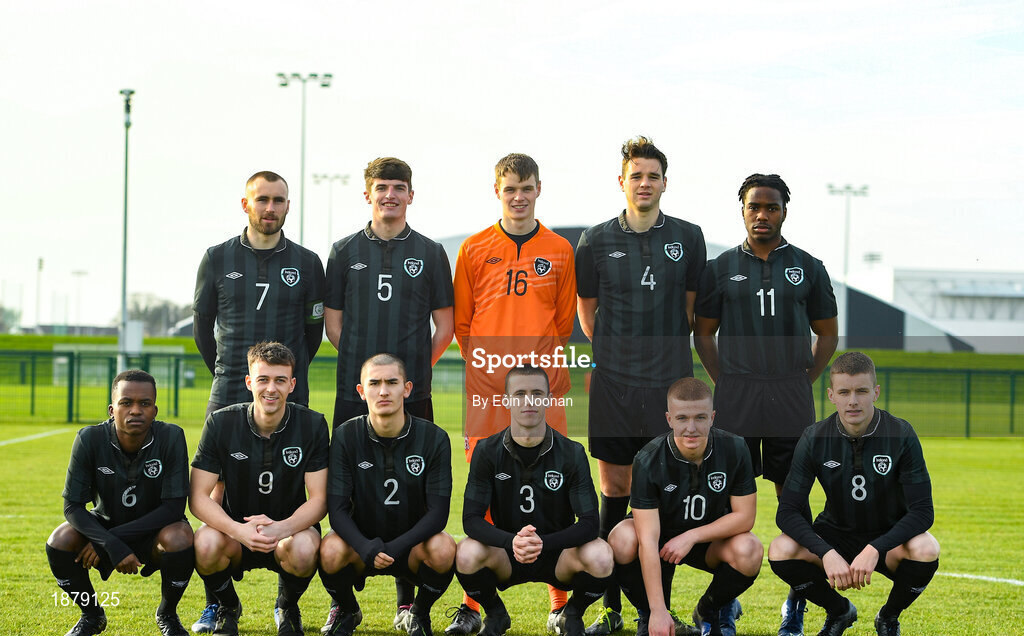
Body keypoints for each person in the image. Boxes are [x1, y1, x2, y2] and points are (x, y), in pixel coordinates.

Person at [693, 173, 839, 635]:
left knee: (790, 504)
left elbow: (828, 333)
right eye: (754, 206)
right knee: (726, 504)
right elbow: (704, 333)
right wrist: (727, 381)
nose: (762, 215)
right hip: (736, 397)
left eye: (771, 207)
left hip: (790, 397)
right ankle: (723, 605)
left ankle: (795, 605)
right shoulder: (719, 268)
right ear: (742, 210)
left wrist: (803, 379)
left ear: (784, 212)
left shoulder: (809, 266)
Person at [575, 136, 707, 635]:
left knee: (662, 494)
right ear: (622, 181)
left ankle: (659, 609)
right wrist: (618, 352)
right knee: (615, 489)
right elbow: (588, 313)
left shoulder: (689, 238)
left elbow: (692, 309)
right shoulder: (595, 239)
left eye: (653, 176)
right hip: (614, 383)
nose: (644, 183)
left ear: (664, 183)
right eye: (636, 175)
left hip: (670, 387)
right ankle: (610, 606)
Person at [323, 157, 454, 631]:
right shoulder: (342, 251)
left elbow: (446, 324)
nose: (390, 196)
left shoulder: (431, 251)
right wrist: (371, 375)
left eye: (399, 188)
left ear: (410, 196)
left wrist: (413, 370)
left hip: (411, 390)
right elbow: (333, 324)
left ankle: (406, 600)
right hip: (354, 392)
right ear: (368, 195)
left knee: (414, 488)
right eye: (381, 188)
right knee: (353, 487)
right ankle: (343, 600)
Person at [448, 152, 577, 635]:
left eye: (526, 188)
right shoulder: (474, 248)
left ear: (539, 189)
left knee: (556, 491)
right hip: (487, 392)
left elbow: (562, 325)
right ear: (497, 192)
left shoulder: (562, 249)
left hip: (545, 388)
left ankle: (560, 602)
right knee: (484, 496)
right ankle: (472, 606)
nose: (518, 197)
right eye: (510, 190)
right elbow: (464, 325)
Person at [768, 352, 940, 636]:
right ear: (831, 395)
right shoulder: (814, 437)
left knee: (926, 548)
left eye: (861, 391)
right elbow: (787, 512)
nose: (853, 401)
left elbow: (923, 511)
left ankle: (888, 617)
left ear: (876, 392)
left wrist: (875, 549)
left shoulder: (900, 433)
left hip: (889, 539)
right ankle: (839, 611)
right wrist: (826, 553)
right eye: (844, 392)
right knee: (781, 549)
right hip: (835, 534)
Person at [455, 365, 613, 636]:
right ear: (506, 401)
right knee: (466, 553)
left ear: (549, 399)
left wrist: (545, 543)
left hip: (557, 555)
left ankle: (571, 614)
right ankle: (495, 614)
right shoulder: (487, 451)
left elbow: (589, 523)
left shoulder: (572, 452)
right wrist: (511, 541)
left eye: (537, 393)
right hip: (507, 553)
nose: (529, 401)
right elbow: (471, 520)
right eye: (520, 394)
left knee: (601, 554)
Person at [189, 342, 329, 636]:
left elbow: (319, 499)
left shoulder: (313, 424)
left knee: (305, 548)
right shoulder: (220, 422)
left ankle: (287, 606)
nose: (271, 389)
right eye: (263, 379)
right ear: (249, 382)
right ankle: (227, 606)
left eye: (280, 380)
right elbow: (199, 498)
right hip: (234, 532)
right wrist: (237, 531)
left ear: (292, 385)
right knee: (204, 542)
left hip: (287, 534)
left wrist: (282, 528)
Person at [607, 378, 761, 636]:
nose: (691, 428)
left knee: (750, 549)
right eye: (682, 418)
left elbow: (745, 517)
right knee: (622, 539)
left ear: (712, 417)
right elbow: (647, 540)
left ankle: (708, 609)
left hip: (708, 541)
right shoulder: (648, 458)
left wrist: (691, 536)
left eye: (700, 417)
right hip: (660, 542)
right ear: (669, 419)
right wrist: (658, 610)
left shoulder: (735, 447)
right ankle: (649, 615)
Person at [46, 370, 193, 636]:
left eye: (144, 404)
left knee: (180, 537)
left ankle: (168, 615)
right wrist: (109, 542)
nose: (135, 410)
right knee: (60, 540)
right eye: (126, 403)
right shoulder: (89, 438)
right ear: (112, 409)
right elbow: (72, 507)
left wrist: (110, 541)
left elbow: (174, 507)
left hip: (154, 529)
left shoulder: (171, 437)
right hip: (105, 524)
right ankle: (92, 616)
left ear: (155, 410)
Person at [318, 353, 455, 636]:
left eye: (392, 382)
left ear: (407, 388)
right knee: (329, 549)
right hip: (362, 545)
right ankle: (346, 609)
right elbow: (338, 509)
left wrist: (396, 547)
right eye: (375, 383)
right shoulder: (345, 436)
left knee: (444, 548)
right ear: (361, 391)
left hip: (413, 545)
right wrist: (366, 546)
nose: (383, 391)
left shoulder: (434, 438)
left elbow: (439, 513)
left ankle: (419, 613)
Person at [193, 170, 326, 416]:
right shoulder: (217, 258)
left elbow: (314, 333)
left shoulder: (308, 263)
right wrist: (227, 369)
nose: (270, 208)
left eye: (278, 201)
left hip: (288, 392)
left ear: (288, 206)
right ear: (246, 204)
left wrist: (286, 372)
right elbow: (201, 329)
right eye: (262, 199)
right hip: (229, 389)